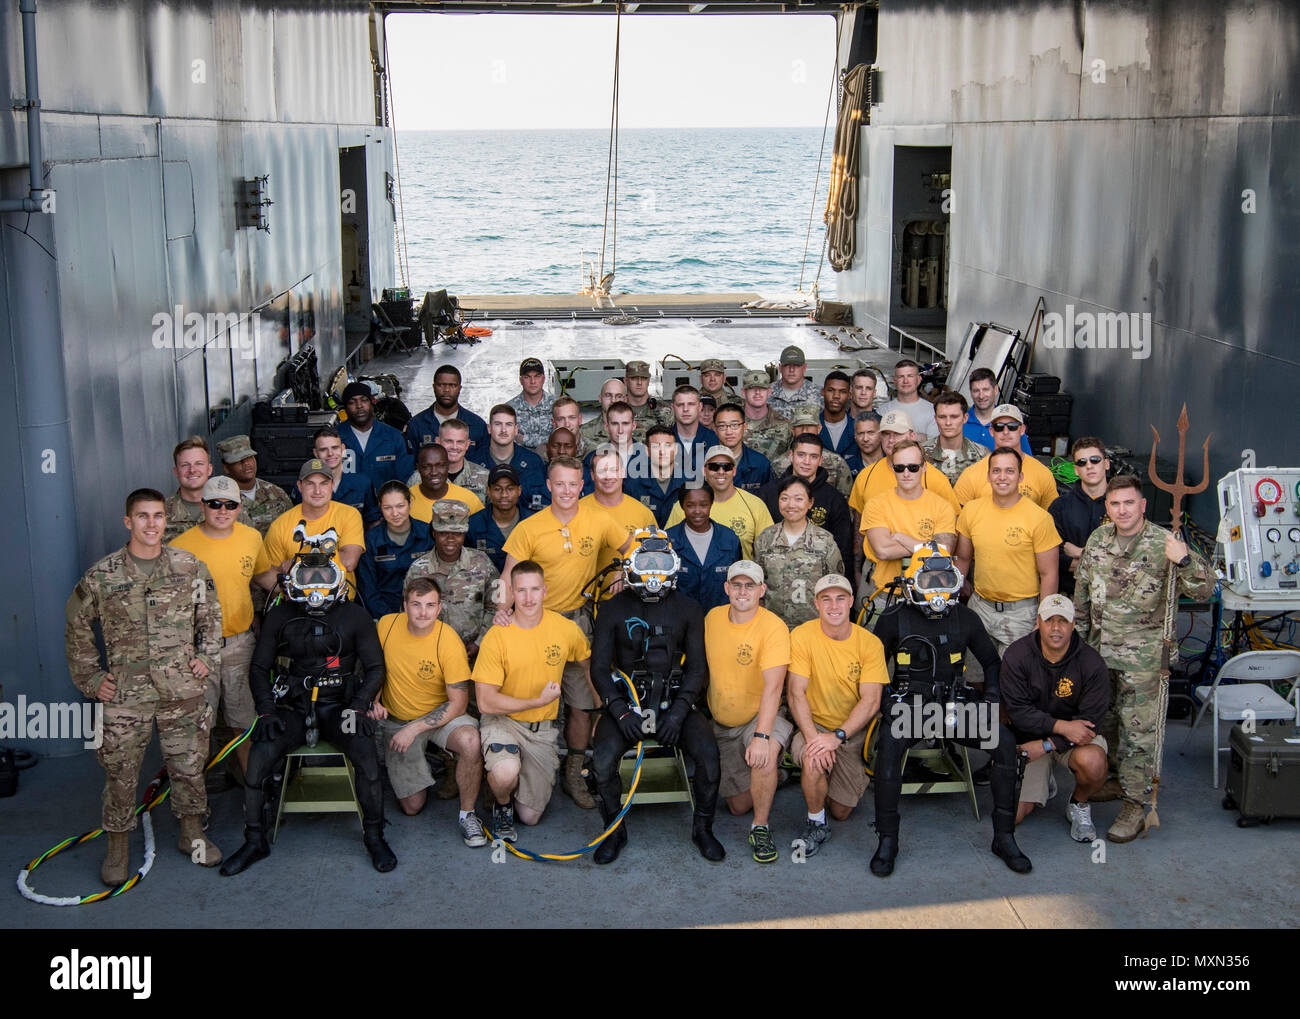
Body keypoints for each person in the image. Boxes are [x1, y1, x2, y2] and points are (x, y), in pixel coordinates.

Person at [67, 488, 224, 884]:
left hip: (181, 688)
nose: (152, 524)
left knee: (188, 765)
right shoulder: (102, 575)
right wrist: (91, 677)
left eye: (157, 516)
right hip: (125, 694)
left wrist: (205, 659)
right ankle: (118, 846)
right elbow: (77, 626)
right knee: (120, 770)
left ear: (165, 520)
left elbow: (211, 617)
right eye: (143, 516)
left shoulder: (189, 567)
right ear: (128, 521)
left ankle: (192, 833)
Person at [220, 522, 394, 876]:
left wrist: (359, 704)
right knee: (257, 760)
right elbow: (259, 667)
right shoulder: (280, 615)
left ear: (337, 576)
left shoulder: (355, 615)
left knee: (366, 756)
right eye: (308, 573)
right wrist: (266, 711)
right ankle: (255, 841)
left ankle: (374, 836)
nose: (315, 582)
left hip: (341, 706)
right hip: (293, 706)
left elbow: (376, 667)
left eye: (323, 572)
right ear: (294, 577)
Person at [869, 546, 1031, 876]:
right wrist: (886, 704)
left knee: (1003, 744)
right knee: (887, 750)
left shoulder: (964, 617)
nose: (937, 587)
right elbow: (872, 668)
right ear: (912, 581)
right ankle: (888, 840)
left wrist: (992, 698)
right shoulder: (892, 618)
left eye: (944, 578)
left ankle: (1004, 837)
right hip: (908, 709)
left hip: (956, 708)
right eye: (929, 578)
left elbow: (990, 661)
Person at [1073, 475, 1214, 842]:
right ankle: (1115, 781)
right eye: (1115, 503)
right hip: (1100, 654)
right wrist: (1078, 647)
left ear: (1143, 505)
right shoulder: (1098, 539)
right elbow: (1083, 595)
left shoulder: (1163, 543)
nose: (1122, 510)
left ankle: (1137, 805)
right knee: (1104, 726)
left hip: (1145, 660)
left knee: (1138, 733)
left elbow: (1205, 588)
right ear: (1107, 506)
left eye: (1129, 503)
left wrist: (1183, 560)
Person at [498, 457, 632, 809]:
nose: (567, 491)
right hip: (534, 622)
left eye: (573, 484)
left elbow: (633, 549)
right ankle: (515, 766)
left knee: (582, 704)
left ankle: (574, 773)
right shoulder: (530, 527)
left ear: (581, 485)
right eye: (560, 484)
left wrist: (622, 571)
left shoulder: (598, 518)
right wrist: (500, 613)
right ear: (548, 486)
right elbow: (508, 577)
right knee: (528, 693)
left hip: (578, 623)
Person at [589, 528, 725, 863]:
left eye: (660, 562)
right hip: (627, 704)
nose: (653, 570)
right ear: (630, 565)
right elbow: (598, 668)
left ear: (674, 566)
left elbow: (697, 668)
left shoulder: (690, 609)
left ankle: (703, 829)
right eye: (645, 561)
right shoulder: (611, 608)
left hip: (675, 702)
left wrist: (679, 712)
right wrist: (620, 711)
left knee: (709, 757)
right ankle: (614, 831)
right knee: (602, 763)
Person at [473, 561, 592, 838]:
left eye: (534, 590)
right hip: (503, 722)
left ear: (544, 591)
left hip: (541, 731)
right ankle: (502, 802)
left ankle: (511, 784)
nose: (528, 598)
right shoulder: (497, 635)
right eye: (521, 590)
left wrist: (600, 712)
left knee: (530, 817)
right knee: (504, 772)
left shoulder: (565, 629)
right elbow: (486, 703)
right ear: (511, 593)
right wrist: (536, 701)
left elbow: (586, 665)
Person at [370, 577, 487, 847]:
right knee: (412, 807)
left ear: (439, 608)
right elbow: (375, 669)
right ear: (405, 606)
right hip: (398, 720)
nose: (423, 612)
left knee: (471, 741)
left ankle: (468, 815)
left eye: (430, 605)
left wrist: (416, 728)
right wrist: (373, 701)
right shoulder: (386, 626)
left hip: (438, 716)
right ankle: (432, 768)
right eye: (416, 604)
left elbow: (458, 703)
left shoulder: (448, 640)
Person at [787, 574, 888, 855]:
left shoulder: (869, 643)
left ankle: (826, 784)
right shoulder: (802, 636)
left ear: (851, 602)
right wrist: (814, 739)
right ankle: (816, 822)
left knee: (842, 811)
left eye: (840, 598)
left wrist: (838, 736)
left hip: (851, 733)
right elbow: (796, 693)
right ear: (816, 604)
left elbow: (871, 701)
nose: (834, 606)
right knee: (813, 758)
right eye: (826, 599)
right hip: (815, 724)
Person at [170, 476, 264, 775]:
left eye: (230, 504)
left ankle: (253, 794)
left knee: (244, 724)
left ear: (239, 507)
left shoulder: (252, 537)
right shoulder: (178, 548)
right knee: (195, 730)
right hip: (196, 651)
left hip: (240, 645)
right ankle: (194, 804)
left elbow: (264, 578)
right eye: (214, 504)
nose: (222, 510)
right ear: (202, 505)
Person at [703, 561, 792, 863]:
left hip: (761, 715)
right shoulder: (713, 618)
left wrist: (762, 736)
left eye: (750, 585)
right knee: (738, 805)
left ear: (762, 590)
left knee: (763, 755)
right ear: (726, 588)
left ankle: (761, 827)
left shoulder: (773, 627)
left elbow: (773, 688)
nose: (743, 591)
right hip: (724, 722)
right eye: (737, 585)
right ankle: (776, 777)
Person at [1002, 595, 1110, 841]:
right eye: (1050, 620)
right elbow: (1018, 712)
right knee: (1013, 818)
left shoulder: (1092, 663)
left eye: (1063, 621)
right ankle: (1044, 781)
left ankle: (1078, 804)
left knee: (1092, 763)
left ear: (1073, 625)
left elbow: (1090, 724)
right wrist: (1060, 728)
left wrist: (1050, 744)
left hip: (1075, 741)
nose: (1056, 628)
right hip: (1032, 737)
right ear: (1038, 621)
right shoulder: (1017, 654)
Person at [954, 449, 1061, 657]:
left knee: (1015, 680)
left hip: (1021, 614)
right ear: (988, 476)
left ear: (1020, 477)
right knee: (976, 676)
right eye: (996, 471)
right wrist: (951, 600)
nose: (1002, 477)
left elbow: (1049, 574)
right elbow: (964, 559)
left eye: (1010, 471)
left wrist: (1044, 617)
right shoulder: (971, 510)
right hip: (980, 608)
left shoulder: (1039, 518)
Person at [860, 440, 959, 617]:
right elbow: (883, 550)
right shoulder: (876, 504)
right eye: (899, 468)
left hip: (927, 595)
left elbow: (943, 553)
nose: (906, 473)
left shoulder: (942, 507)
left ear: (924, 467)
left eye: (913, 467)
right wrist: (926, 547)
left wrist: (901, 537)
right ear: (893, 469)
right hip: (884, 593)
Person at [254, 459, 366, 600]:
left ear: (332, 485)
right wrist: (291, 591)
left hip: (340, 602)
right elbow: (265, 574)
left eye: (323, 483)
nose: (317, 491)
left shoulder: (348, 514)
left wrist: (297, 563)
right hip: (297, 605)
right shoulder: (280, 525)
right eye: (310, 484)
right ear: (300, 486)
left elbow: (349, 561)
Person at [406, 499, 499, 660]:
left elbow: (497, 605)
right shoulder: (418, 569)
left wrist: (480, 642)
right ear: (434, 533)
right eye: (443, 533)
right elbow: (408, 613)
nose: (450, 539)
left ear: (464, 534)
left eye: (457, 534)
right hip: (431, 655)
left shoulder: (482, 563)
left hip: (477, 655)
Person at [753, 476, 844, 628]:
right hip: (772, 627)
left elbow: (836, 585)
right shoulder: (766, 538)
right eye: (785, 498)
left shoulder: (825, 541)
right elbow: (756, 584)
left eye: (798, 499)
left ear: (810, 503)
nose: (791, 505)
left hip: (813, 628)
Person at [759, 434, 854, 571]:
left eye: (813, 456)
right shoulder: (768, 493)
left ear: (821, 460)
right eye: (801, 455)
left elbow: (843, 549)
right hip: (774, 577)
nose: (806, 461)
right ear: (791, 456)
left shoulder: (834, 499)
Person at [664, 445, 774, 560]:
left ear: (734, 471)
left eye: (727, 467)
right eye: (714, 467)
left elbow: (768, 551)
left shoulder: (755, 505)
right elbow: (668, 548)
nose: (721, 472)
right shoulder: (685, 506)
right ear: (704, 471)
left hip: (739, 576)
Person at [848, 410, 960, 518]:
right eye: (886, 434)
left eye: (897, 433)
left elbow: (953, 521)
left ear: (913, 436)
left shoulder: (935, 479)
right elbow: (859, 522)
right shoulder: (866, 476)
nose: (891, 440)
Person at [581, 446, 655, 600]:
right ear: (592, 475)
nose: (608, 477)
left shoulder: (642, 513)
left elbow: (655, 557)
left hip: (632, 600)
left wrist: (627, 571)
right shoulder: (578, 510)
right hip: (586, 601)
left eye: (614, 470)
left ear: (623, 472)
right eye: (602, 471)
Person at [953, 405, 1058, 510]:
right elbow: (958, 518)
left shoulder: (1043, 474)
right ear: (991, 431)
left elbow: (1051, 518)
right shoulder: (971, 475)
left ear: (1022, 429)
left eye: (1012, 426)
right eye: (999, 426)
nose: (1006, 432)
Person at [356, 481, 433, 619]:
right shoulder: (371, 540)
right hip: (383, 613)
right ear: (380, 508)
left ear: (410, 503)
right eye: (388, 508)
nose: (395, 513)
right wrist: (391, 619)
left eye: (400, 506)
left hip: (425, 613)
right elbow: (368, 590)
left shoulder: (427, 533)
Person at [1049, 437, 1110, 597]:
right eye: (1082, 462)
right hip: (1071, 596)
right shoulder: (1060, 507)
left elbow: (1129, 556)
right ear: (1076, 469)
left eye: (1095, 460)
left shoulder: (1122, 505)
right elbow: (1054, 557)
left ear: (1106, 464)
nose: (1089, 466)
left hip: (1114, 598)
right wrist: (1105, 564)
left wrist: (1080, 553)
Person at [666, 484, 741, 611]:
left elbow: (738, 581)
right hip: (680, 620)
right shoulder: (667, 541)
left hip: (721, 618)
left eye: (703, 505)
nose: (697, 511)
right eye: (690, 505)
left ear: (711, 504)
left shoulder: (729, 538)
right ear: (682, 506)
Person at [337, 381, 414, 491]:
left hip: (386, 505)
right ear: (345, 408)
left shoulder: (394, 438)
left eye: (364, 400)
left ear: (372, 403)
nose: (359, 406)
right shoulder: (334, 439)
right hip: (346, 506)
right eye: (352, 402)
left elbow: (405, 479)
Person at [470, 403, 548, 512]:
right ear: (489, 428)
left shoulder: (533, 462)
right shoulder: (474, 461)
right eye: (498, 424)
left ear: (516, 429)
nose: (503, 430)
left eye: (509, 424)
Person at [297, 425, 378, 527]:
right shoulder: (305, 488)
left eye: (335, 448)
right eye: (323, 450)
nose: (330, 453)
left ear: (343, 449)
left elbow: (373, 523)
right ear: (316, 453)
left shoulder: (362, 484)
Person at [216, 434, 291, 537]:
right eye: (239, 461)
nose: (247, 464)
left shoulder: (277, 493)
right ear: (226, 468)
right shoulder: (218, 502)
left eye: (249, 458)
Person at [404, 363, 489, 455]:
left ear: (459, 388)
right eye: (441, 385)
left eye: (452, 385)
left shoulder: (477, 425)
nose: (446, 390)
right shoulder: (416, 425)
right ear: (434, 387)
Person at [769, 406, 854, 497]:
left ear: (819, 428)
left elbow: (845, 501)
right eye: (800, 426)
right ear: (792, 430)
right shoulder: (777, 464)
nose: (805, 431)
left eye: (810, 426)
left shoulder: (837, 463)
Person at [467, 464, 534, 571]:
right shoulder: (473, 524)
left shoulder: (533, 522)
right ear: (488, 491)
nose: (504, 495)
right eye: (497, 489)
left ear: (519, 490)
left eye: (510, 489)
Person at [623, 424, 687, 524]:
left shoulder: (689, 483)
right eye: (656, 446)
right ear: (646, 450)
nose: (662, 452)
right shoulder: (632, 484)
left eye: (668, 445)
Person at [922, 390, 990, 485]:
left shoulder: (981, 454)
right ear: (935, 418)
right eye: (942, 417)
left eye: (954, 417)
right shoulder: (920, 453)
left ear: (965, 418)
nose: (948, 423)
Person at [408, 442, 484, 523]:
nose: (434, 472)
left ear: (448, 466)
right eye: (427, 467)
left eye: (440, 465)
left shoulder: (469, 499)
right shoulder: (406, 500)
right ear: (418, 468)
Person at [964, 367, 1032, 454]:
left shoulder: (1012, 424)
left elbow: (1027, 460)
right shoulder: (960, 423)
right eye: (976, 391)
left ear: (995, 390)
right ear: (971, 392)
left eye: (986, 390)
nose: (981, 396)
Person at [709, 402, 773, 494]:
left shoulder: (760, 463)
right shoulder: (703, 462)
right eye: (722, 426)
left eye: (734, 425)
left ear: (744, 427)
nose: (729, 431)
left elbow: (768, 501)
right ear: (715, 429)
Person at [164, 436, 214, 542]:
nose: (192, 470)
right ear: (176, 471)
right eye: (185, 465)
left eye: (199, 464)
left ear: (209, 469)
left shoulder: (229, 508)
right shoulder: (160, 512)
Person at [876, 359, 938, 439]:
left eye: (910, 376)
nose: (905, 381)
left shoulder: (932, 411)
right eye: (901, 377)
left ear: (919, 380)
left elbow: (933, 445)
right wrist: (919, 437)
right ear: (894, 381)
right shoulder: (882, 411)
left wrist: (898, 437)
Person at [740, 369, 794, 462]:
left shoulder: (785, 426)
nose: (757, 392)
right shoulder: (731, 423)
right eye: (752, 388)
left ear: (769, 392)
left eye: (762, 388)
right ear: (743, 392)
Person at [670, 385, 718, 480]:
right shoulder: (663, 440)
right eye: (680, 405)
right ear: (672, 407)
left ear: (700, 406)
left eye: (691, 404)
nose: (685, 409)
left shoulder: (714, 440)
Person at [434, 419, 489, 501]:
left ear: (467, 444)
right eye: (449, 441)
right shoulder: (420, 478)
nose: (454, 447)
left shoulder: (485, 478)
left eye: (460, 442)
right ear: (438, 442)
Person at [507, 357, 555, 449]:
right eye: (527, 377)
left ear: (544, 379)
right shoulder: (509, 409)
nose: (533, 381)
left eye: (537, 376)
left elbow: (562, 439)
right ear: (521, 380)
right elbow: (506, 440)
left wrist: (524, 439)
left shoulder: (556, 405)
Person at [768, 345, 823, 419]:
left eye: (796, 365)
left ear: (804, 368)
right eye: (787, 365)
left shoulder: (819, 395)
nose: (791, 370)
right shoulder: (766, 393)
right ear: (780, 368)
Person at [624, 359, 672, 436]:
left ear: (649, 380)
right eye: (634, 378)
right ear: (625, 381)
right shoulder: (617, 411)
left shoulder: (664, 410)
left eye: (643, 378)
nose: (639, 383)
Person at [578, 378, 628, 450]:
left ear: (625, 400)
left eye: (618, 396)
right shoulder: (584, 432)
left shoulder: (639, 430)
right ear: (600, 398)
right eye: (608, 395)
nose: (613, 400)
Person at [818, 371, 856, 460]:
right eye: (831, 390)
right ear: (823, 392)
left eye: (842, 392)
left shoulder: (857, 429)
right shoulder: (811, 427)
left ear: (849, 395)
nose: (836, 396)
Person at [845, 410, 883, 476]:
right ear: (855, 436)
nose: (865, 439)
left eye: (871, 433)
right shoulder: (847, 464)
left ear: (881, 434)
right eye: (861, 433)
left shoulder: (892, 461)